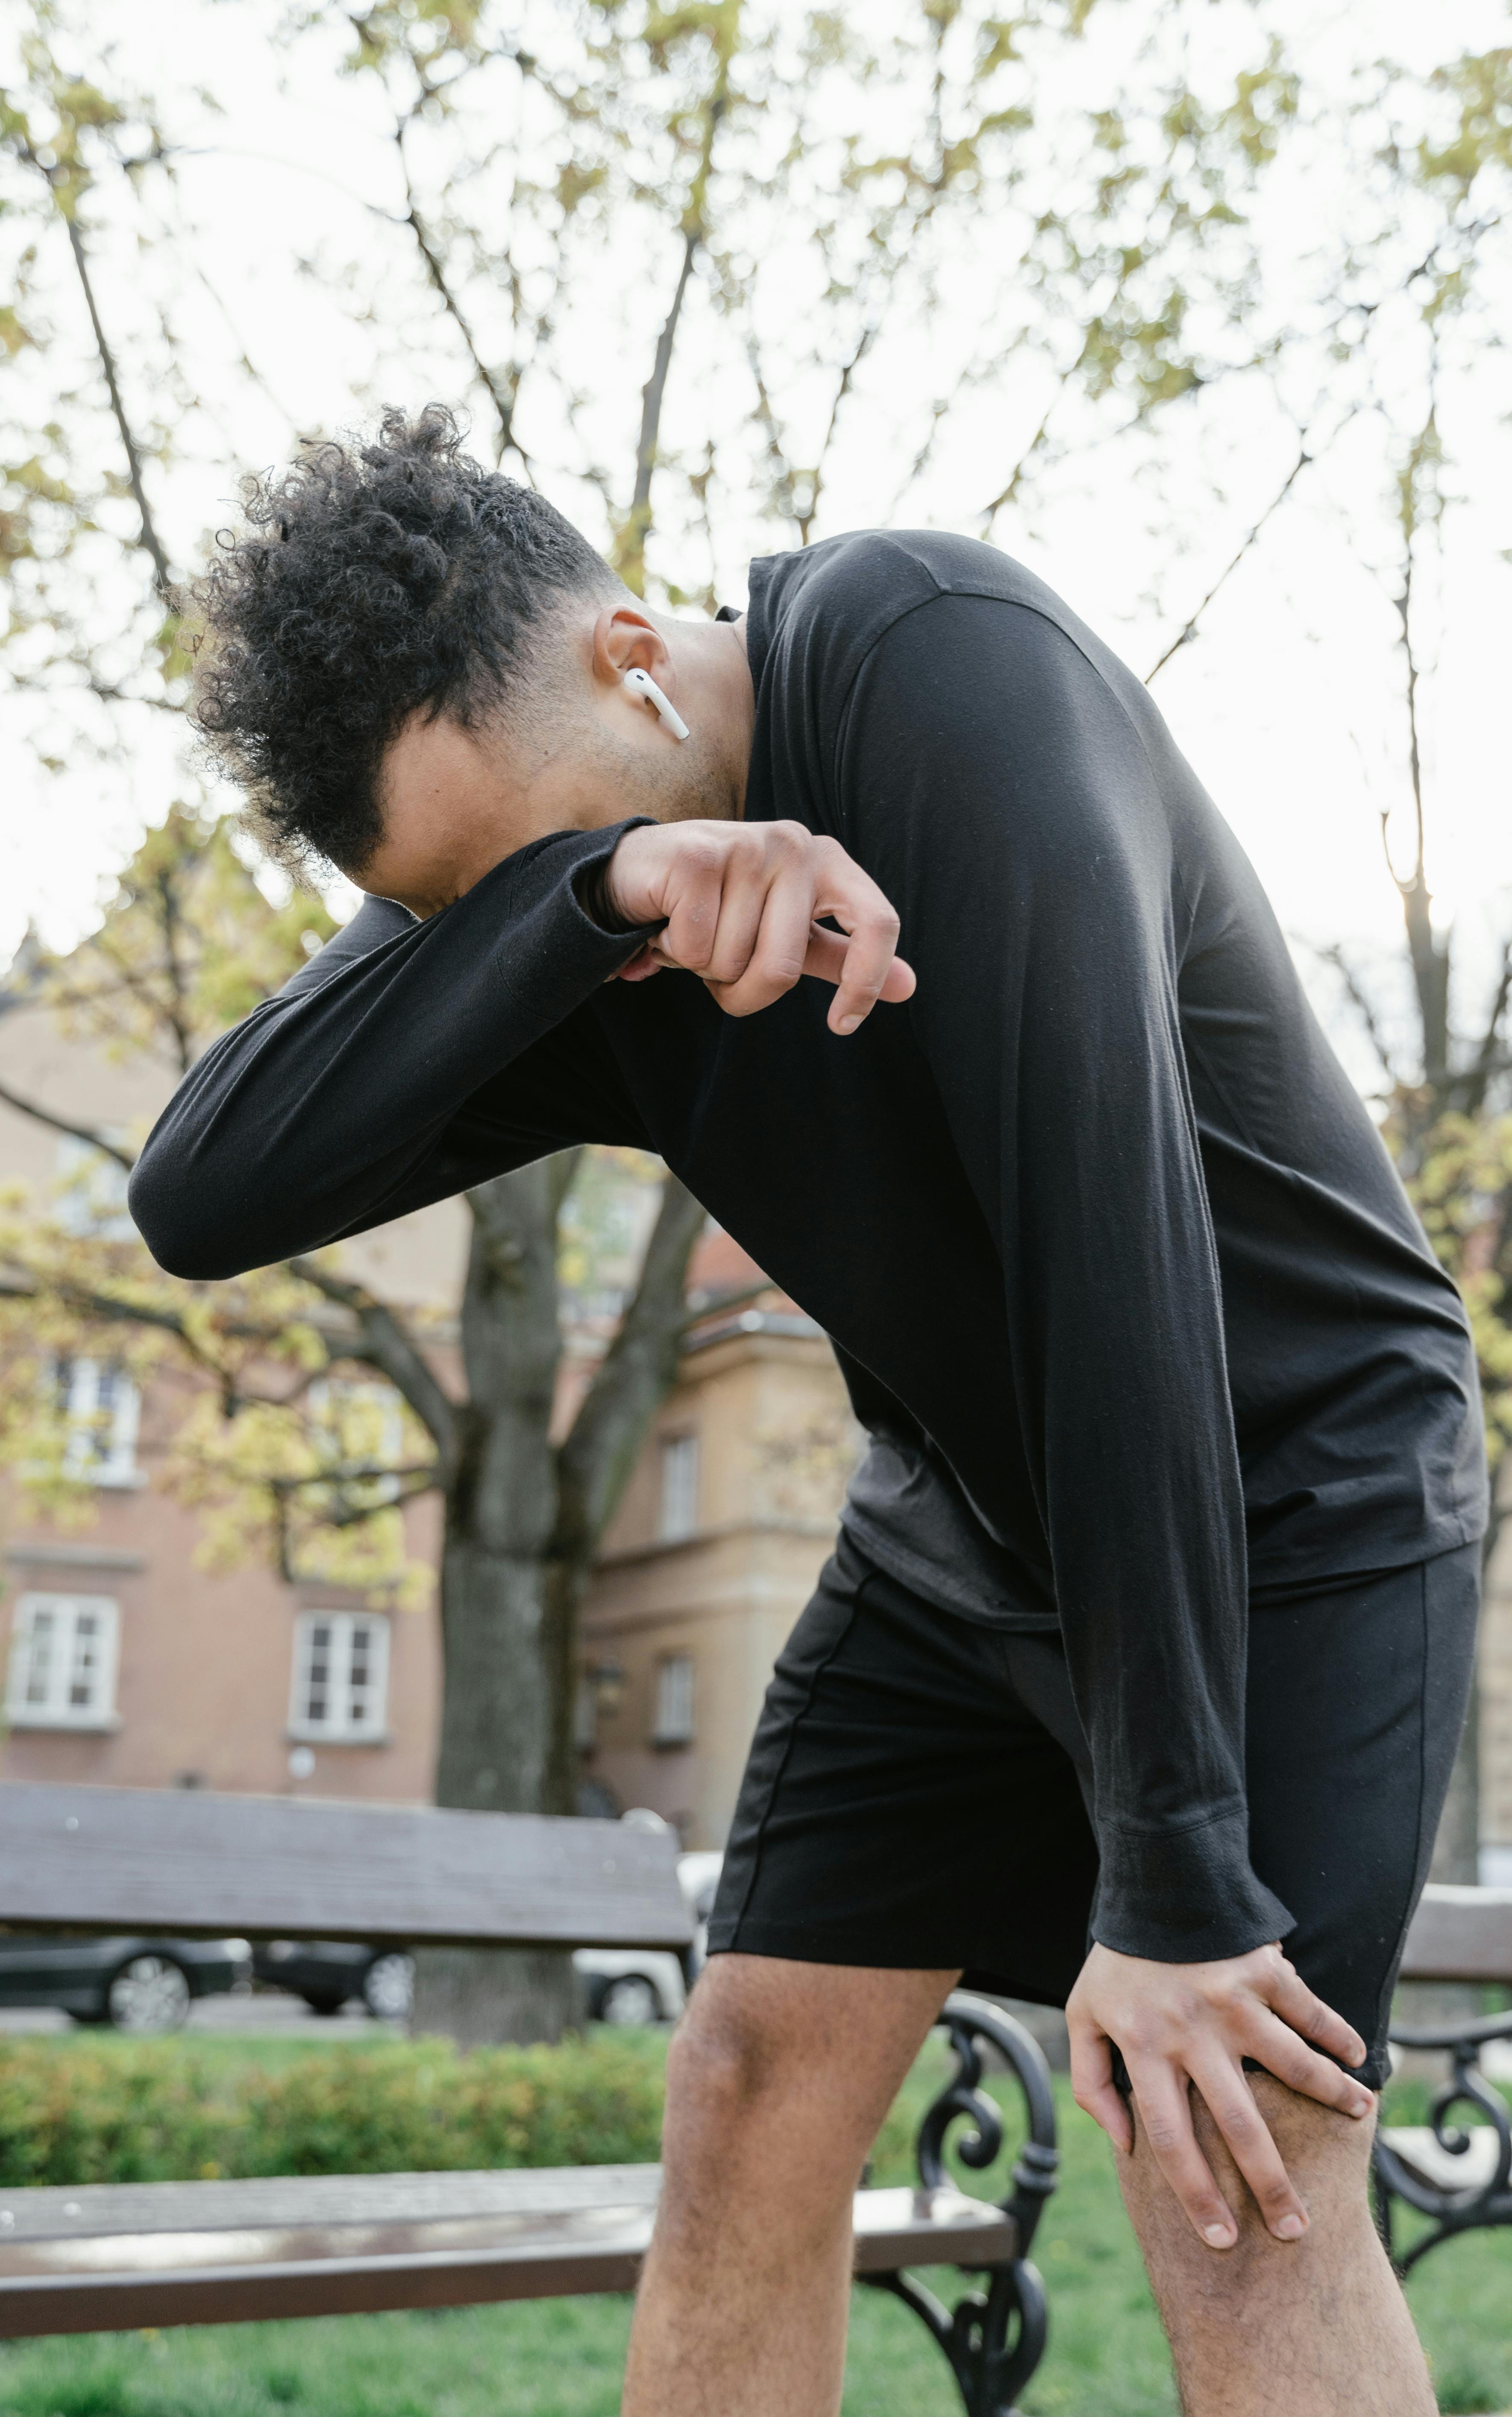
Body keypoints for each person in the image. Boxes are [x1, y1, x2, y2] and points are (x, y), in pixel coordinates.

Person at [132, 405, 1485, 2417]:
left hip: (1284, 1488)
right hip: (960, 1527)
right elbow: (200, 1188)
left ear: (633, 655)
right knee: (749, 2077)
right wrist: (581, 902)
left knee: (1233, 2165)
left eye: (541, 851)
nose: (548, 912)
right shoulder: (594, 905)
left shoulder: (934, 651)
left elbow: (1110, 1256)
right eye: (474, 908)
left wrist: (1183, 1887)